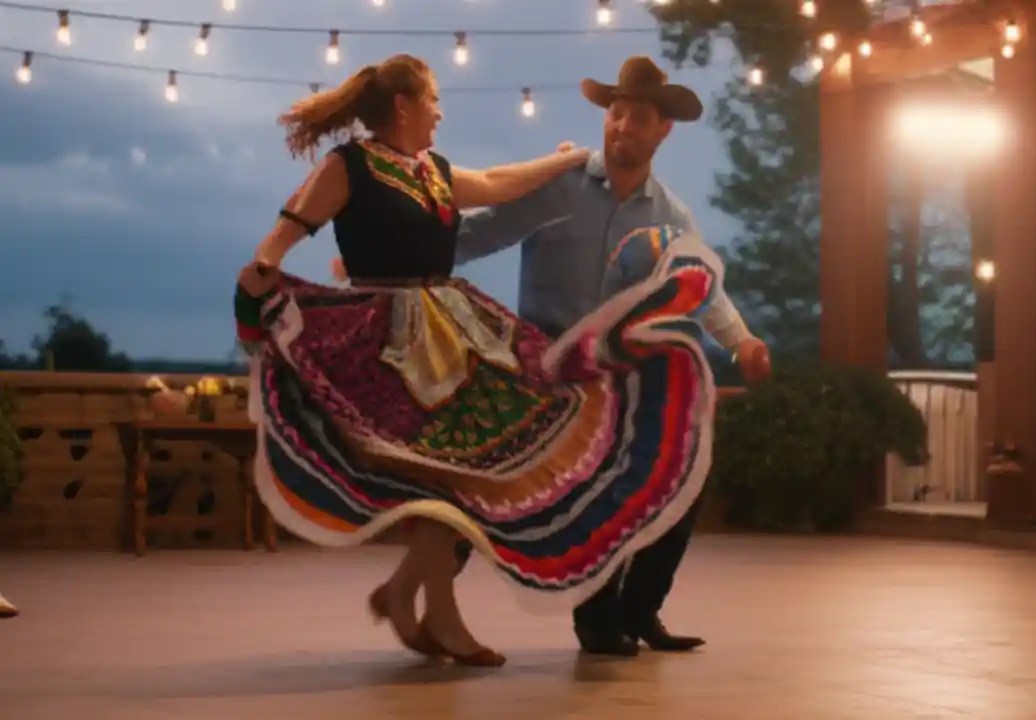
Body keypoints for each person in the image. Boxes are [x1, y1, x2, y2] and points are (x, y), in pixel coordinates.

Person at [233, 54, 732, 668]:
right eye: (433, 100)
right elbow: (299, 222)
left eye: (637, 117)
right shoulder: (352, 165)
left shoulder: (435, 172)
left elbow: (495, 184)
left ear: (662, 130)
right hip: (406, 342)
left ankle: (422, 596)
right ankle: (442, 610)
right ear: (404, 107)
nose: (440, 110)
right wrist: (266, 266)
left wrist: (564, 159)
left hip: (457, 335)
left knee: (471, 476)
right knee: (455, 477)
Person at [453, 55, 772, 657]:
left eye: (638, 117)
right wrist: (400, 255)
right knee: (575, 482)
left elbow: (704, 289)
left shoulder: (671, 215)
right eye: (615, 114)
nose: (622, 126)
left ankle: (638, 609)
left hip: (621, 380)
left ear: (662, 130)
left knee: (685, 471)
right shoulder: (558, 183)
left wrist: (743, 343)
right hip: (545, 376)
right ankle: (597, 620)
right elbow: (481, 231)